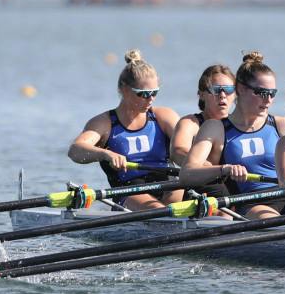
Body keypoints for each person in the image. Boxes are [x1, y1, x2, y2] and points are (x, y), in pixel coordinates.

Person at [68, 50, 242, 210]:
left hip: (168, 184)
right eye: (143, 94)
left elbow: (184, 148)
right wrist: (105, 154)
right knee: (160, 213)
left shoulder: (162, 116)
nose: (150, 99)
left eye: (154, 93)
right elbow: (76, 150)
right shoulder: (105, 123)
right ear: (123, 89)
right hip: (130, 190)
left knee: (188, 201)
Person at [189, 51, 285, 218]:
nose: (268, 100)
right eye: (262, 93)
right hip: (250, 205)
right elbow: (186, 174)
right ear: (240, 89)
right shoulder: (216, 128)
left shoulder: (283, 126)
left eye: (272, 93)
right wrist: (224, 169)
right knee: (274, 221)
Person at [169, 61, 238, 186]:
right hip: (202, 187)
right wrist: (204, 166)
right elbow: (177, 151)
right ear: (201, 95)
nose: (222, 95)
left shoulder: (241, 125)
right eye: (216, 90)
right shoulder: (190, 123)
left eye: (228, 90)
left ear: (235, 94)